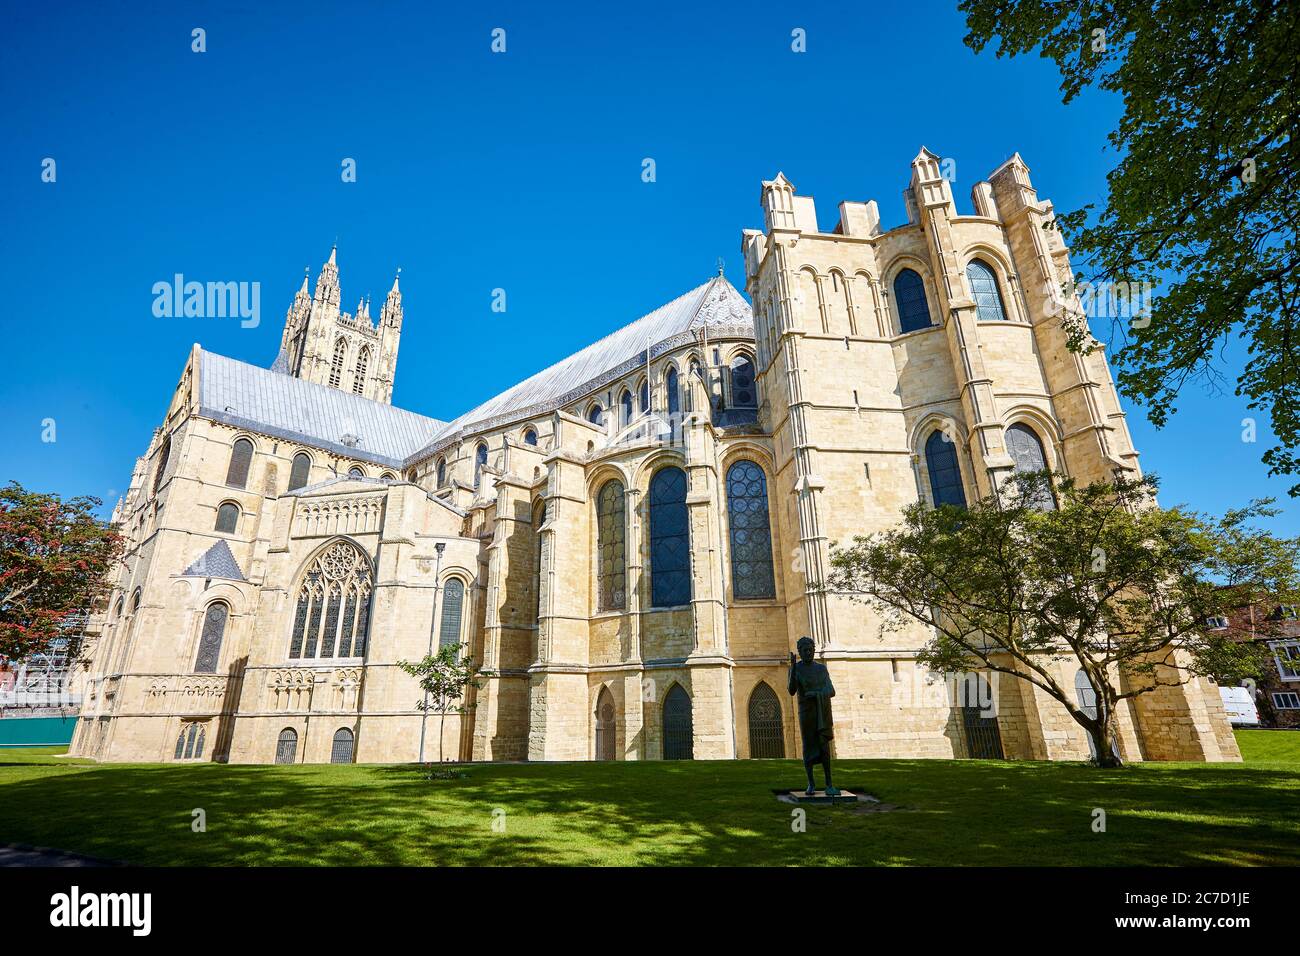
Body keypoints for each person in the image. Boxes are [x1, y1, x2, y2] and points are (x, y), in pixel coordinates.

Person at [787, 636, 838, 795]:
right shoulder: (796, 668)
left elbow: (831, 690)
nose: (808, 652)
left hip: (821, 711)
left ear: (814, 650)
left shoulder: (821, 669)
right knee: (808, 745)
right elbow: (791, 690)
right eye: (804, 650)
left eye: (810, 650)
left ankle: (829, 784)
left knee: (824, 746)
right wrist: (793, 668)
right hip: (806, 713)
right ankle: (811, 783)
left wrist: (815, 694)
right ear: (800, 652)